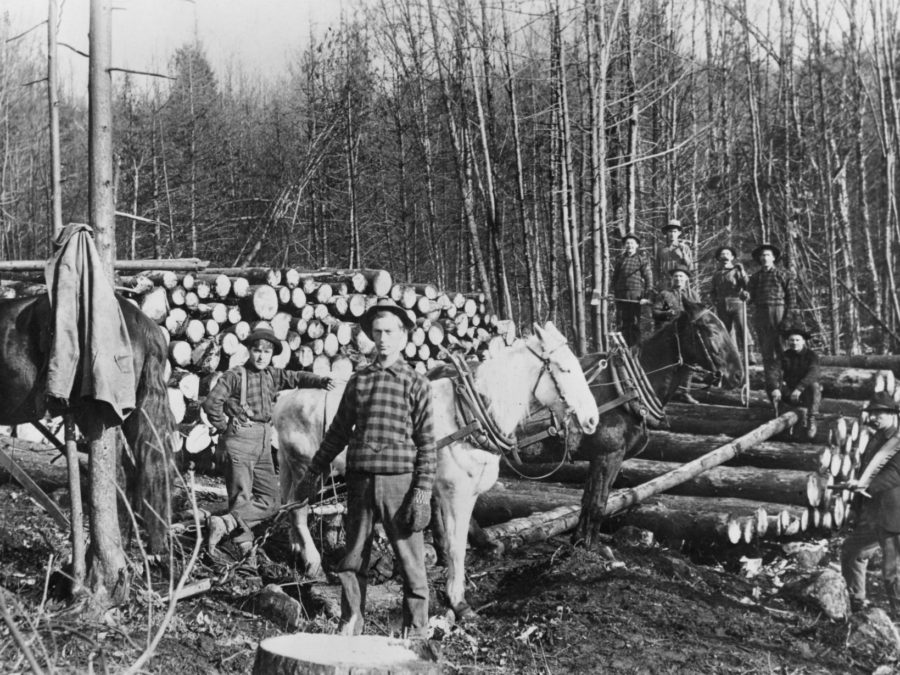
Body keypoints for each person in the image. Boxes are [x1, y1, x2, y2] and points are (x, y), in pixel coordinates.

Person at [296, 298, 436, 638]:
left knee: (411, 561)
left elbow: (427, 444)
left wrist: (422, 491)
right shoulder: (359, 381)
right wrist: (315, 470)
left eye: (389, 332)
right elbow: (338, 432)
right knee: (353, 558)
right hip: (360, 482)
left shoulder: (416, 383)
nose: (383, 339)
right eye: (377, 332)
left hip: (400, 484)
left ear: (403, 336)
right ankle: (351, 622)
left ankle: (417, 630)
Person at [202, 327, 335, 569]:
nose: (261, 356)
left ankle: (225, 523)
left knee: (272, 501)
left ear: (272, 354)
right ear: (249, 351)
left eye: (266, 352)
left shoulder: (272, 375)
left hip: (263, 441)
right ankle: (245, 554)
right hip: (240, 440)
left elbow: (296, 377)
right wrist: (224, 426)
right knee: (241, 497)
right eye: (257, 350)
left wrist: (321, 381)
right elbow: (212, 403)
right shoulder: (235, 375)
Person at [841, 392, 900, 615]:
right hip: (872, 513)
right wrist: (855, 506)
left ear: (893, 414)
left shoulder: (897, 442)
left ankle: (898, 614)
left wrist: (865, 485)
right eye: (872, 413)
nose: (874, 418)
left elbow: (895, 474)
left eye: (879, 413)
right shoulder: (876, 439)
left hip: (894, 514)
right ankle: (857, 602)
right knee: (852, 551)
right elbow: (864, 473)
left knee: (892, 568)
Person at [741, 243, 796, 402]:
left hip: (779, 312)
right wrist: (745, 295)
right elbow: (749, 298)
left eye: (768, 255)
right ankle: (772, 389)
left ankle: (788, 386)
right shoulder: (756, 277)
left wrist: (787, 319)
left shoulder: (783, 275)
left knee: (783, 352)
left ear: (773, 258)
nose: (764, 258)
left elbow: (792, 299)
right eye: (762, 255)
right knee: (767, 353)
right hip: (761, 314)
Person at [653, 266, 699, 404]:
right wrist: (667, 313)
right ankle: (661, 393)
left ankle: (685, 392)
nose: (678, 279)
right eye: (676, 276)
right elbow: (655, 312)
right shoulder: (665, 294)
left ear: (686, 279)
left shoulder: (693, 295)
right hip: (668, 334)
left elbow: (699, 313)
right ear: (672, 279)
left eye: (681, 276)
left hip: (687, 334)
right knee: (666, 363)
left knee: (689, 362)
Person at [775, 325, 821, 439]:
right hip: (789, 390)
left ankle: (811, 419)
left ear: (803, 341)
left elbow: (813, 373)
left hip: (804, 391)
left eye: (797, 340)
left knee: (814, 386)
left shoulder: (811, 355)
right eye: (791, 340)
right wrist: (775, 388)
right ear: (788, 341)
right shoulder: (784, 356)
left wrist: (799, 388)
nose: (794, 343)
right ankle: (780, 420)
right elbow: (775, 372)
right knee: (773, 387)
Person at [611, 233, 653, 347]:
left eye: (632, 243)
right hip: (620, 295)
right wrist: (612, 292)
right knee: (621, 321)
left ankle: (634, 348)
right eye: (627, 243)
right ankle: (621, 348)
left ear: (637, 245)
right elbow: (615, 277)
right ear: (625, 245)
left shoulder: (642, 260)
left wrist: (646, 296)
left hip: (635, 295)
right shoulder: (620, 259)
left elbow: (649, 278)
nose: (629, 245)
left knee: (634, 322)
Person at [709, 245, 750, 353]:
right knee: (725, 331)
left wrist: (742, 272)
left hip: (736, 302)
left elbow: (747, 284)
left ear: (732, 257)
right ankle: (732, 354)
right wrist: (714, 301)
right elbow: (712, 290)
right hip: (722, 304)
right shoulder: (716, 274)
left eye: (727, 254)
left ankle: (749, 355)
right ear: (718, 257)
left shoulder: (736, 270)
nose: (725, 256)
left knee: (742, 327)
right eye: (722, 254)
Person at [656, 219, 693, 285]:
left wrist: (684, 256)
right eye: (670, 231)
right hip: (665, 281)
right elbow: (657, 268)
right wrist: (657, 281)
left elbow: (690, 267)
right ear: (666, 233)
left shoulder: (684, 248)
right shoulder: (661, 249)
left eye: (675, 231)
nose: (672, 234)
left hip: (680, 281)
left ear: (679, 233)